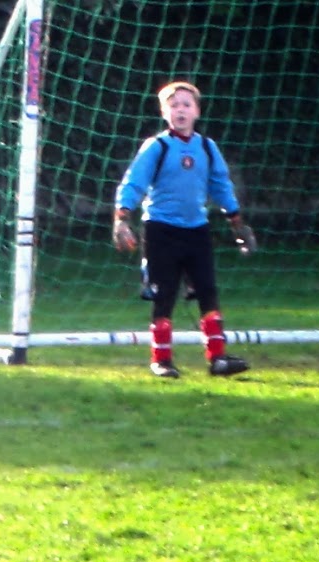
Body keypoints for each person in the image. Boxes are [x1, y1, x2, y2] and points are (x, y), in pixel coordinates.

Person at [112, 80, 257, 379]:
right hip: (160, 230)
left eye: (186, 104)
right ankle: (161, 360)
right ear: (165, 112)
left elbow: (220, 185)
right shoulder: (157, 146)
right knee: (163, 293)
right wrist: (122, 218)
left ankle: (218, 358)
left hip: (197, 230)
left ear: (197, 111)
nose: (181, 110)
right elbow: (134, 182)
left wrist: (236, 222)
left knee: (207, 291)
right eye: (174, 105)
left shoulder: (206, 147)